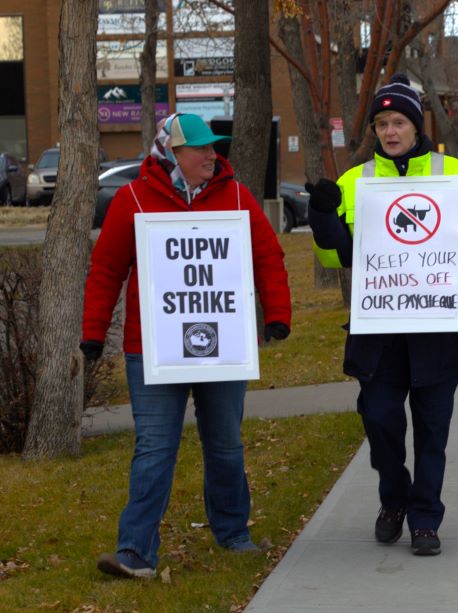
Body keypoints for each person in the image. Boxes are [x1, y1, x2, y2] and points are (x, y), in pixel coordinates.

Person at [80, 113, 292, 578]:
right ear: (171, 152)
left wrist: (277, 315)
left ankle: (233, 533)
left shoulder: (235, 195)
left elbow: (267, 255)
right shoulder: (133, 199)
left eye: (214, 148)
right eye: (201, 148)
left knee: (225, 446)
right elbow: (106, 269)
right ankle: (135, 552)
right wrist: (94, 333)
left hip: (224, 347)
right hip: (153, 350)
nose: (212, 156)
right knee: (155, 448)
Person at [306, 73, 458, 556]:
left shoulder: (455, 174)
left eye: (398, 122)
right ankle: (393, 499)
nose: (390, 132)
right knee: (381, 421)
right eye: (381, 124)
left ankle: (425, 519)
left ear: (416, 126)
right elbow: (339, 258)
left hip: (439, 329)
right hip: (381, 331)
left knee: (432, 432)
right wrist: (325, 223)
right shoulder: (356, 181)